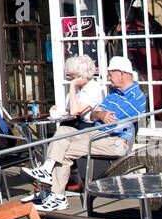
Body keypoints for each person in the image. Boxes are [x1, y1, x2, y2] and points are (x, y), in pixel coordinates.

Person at [33, 55, 147, 213]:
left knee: (64, 150)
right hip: (99, 133)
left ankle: (57, 196)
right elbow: (95, 116)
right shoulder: (114, 93)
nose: (107, 78)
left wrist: (100, 115)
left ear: (122, 74)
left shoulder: (137, 97)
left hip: (116, 141)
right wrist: (100, 115)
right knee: (64, 131)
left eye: (110, 74)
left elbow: (113, 125)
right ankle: (47, 170)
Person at [22, 54, 104, 186]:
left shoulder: (94, 89)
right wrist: (58, 110)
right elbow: (68, 110)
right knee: (63, 130)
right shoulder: (78, 88)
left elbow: (75, 111)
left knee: (63, 133)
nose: (71, 79)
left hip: (91, 127)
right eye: (70, 76)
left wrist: (72, 87)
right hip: (78, 124)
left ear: (82, 75)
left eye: (73, 76)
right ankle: (52, 173)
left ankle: (48, 170)